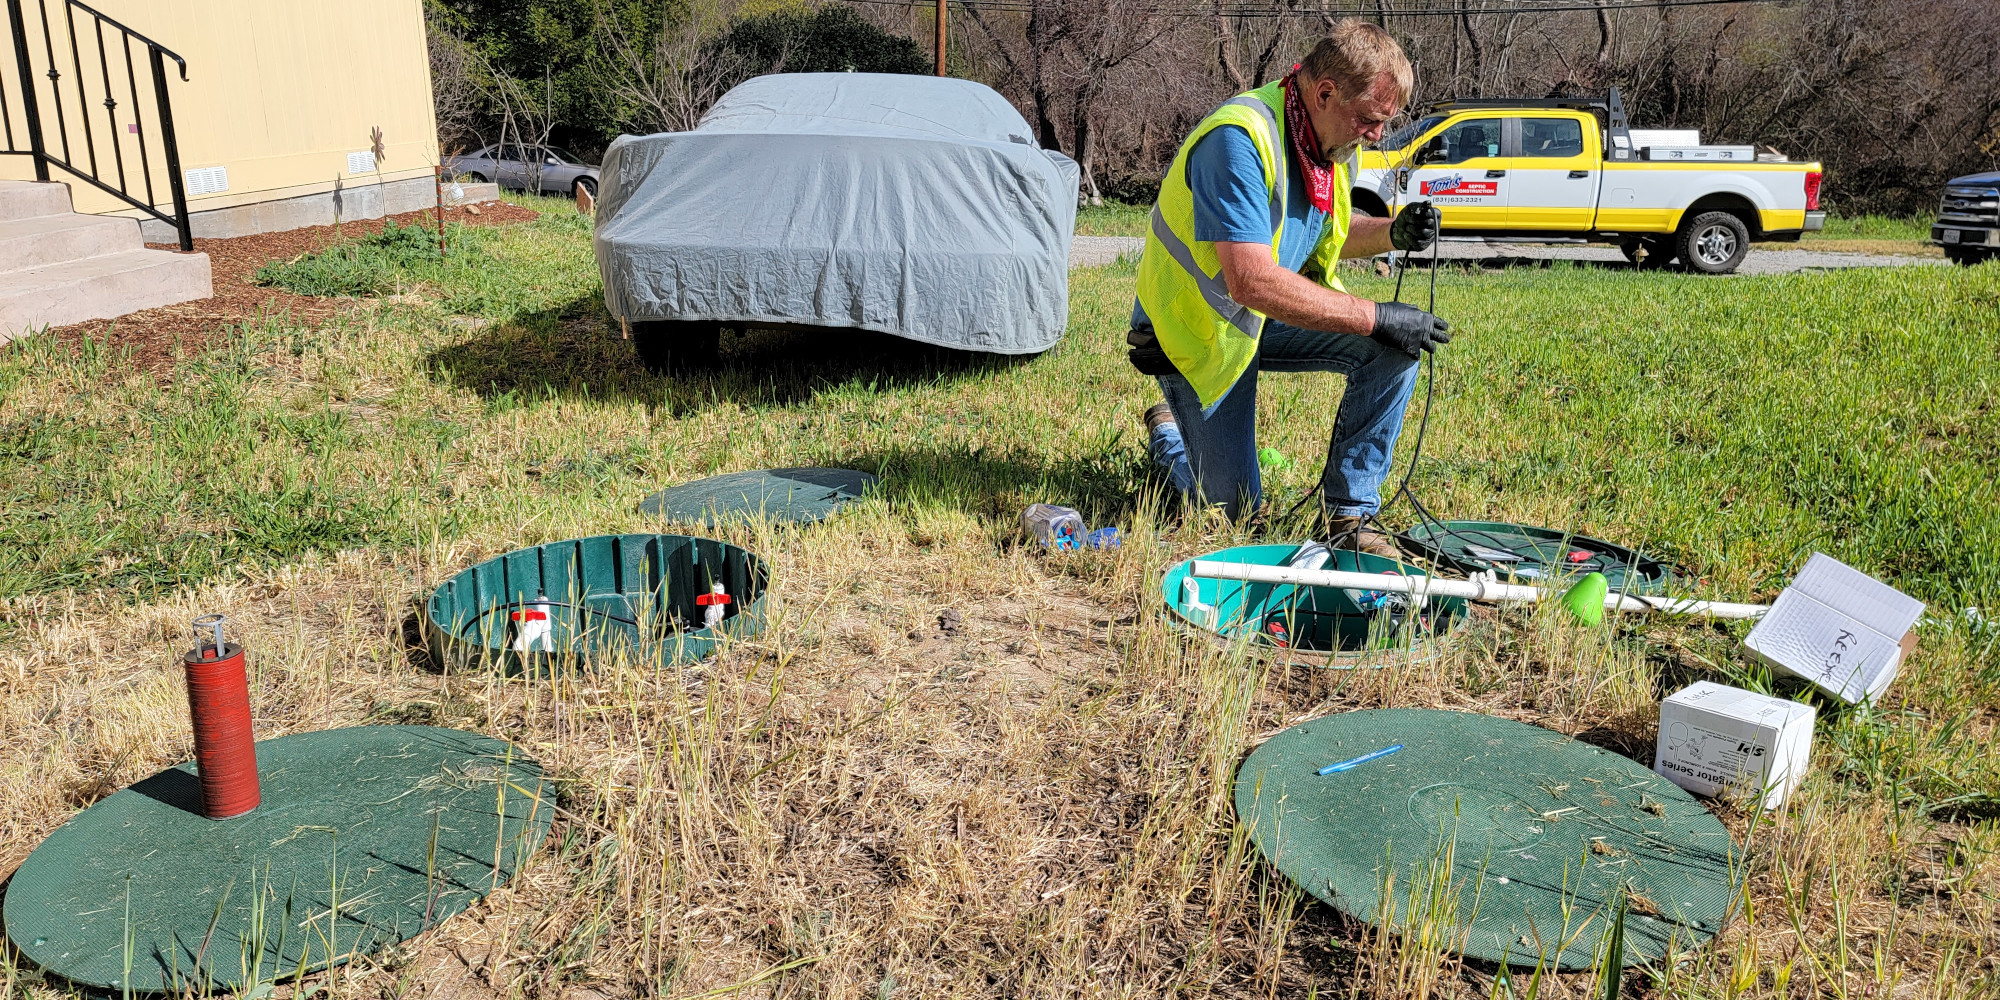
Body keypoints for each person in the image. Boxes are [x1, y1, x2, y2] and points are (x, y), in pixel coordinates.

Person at [1128, 19, 1448, 557]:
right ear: (1325, 93)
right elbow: (1250, 278)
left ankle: (1349, 512)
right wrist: (1375, 314)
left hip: (1253, 318)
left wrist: (1392, 231)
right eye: (1371, 121)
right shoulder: (1239, 141)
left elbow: (1324, 235)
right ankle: (1170, 438)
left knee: (1394, 347)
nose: (1377, 136)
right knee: (1234, 520)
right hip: (1192, 332)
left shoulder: (1330, 144)